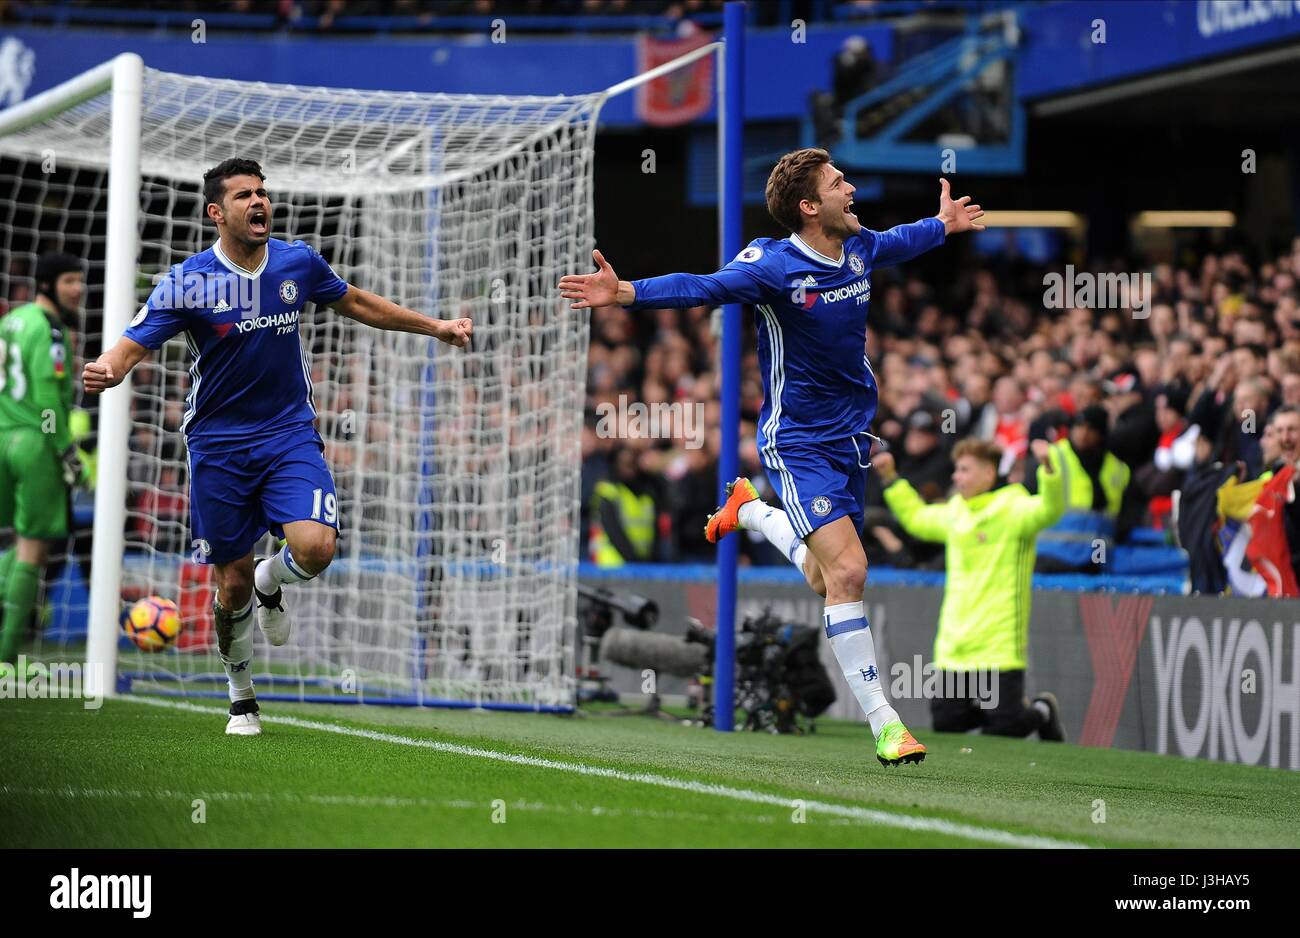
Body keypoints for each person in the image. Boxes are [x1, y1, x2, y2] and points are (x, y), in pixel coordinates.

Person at [559, 147, 985, 766]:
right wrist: (625, 292)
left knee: (821, 578)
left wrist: (942, 226)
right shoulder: (774, 265)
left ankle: (752, 511)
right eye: (839, 183)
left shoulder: (859, 247)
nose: (852, 189)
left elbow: (898, 241)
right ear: (810, 207)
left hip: (849, 443)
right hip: (797, 441)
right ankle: (886, 724)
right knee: (848, 575)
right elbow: (701, 287)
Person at [84, 158, 472, 735]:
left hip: (289, 432)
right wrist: (107, 368)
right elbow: (133, 342)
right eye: (244, 195)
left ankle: (275, 580)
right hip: (217, 445)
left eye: (263, 192)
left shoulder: (297, 261)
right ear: (218, 213)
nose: (259, 202)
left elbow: (359, 302)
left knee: (315, 548)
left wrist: (435, 326)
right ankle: (241, 690)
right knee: (230, 583)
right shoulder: (189, 281)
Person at [875, 438, 1067, 741]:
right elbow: (916, 518)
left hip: (999, 640)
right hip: (957, 641)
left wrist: (1048, 469)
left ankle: (1042, 710)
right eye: (956, 469)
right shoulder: (956, 512)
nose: (956, 476)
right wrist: (891, 479)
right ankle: (1012, 713)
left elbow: (1050, 509)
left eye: (964, 470)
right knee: (947, 723)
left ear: (989, 474)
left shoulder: (1013, 509)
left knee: (1005, 728)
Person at [0, 251, 89, 671]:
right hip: (35, 444)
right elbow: (48, 401)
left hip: (3, 437)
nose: (78, 289)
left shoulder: (10, 322)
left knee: (17, 543)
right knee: (33, 547)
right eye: (71, 280)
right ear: (49, 284)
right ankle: (4, 659)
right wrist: (65, 451)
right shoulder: (50, 331)